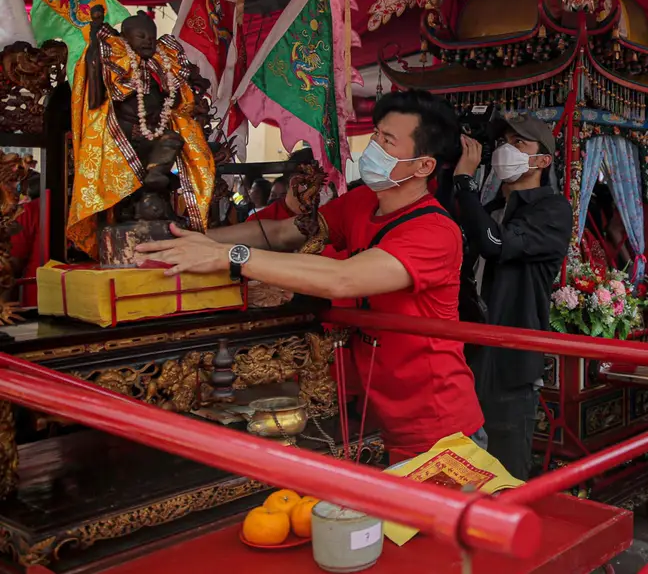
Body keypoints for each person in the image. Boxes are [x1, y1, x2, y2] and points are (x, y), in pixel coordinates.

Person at [135, 90, 485, 461]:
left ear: (424, 166)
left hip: (441, 425)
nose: (374, 147)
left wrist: (229, 257)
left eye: (388, 140)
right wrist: (187, 241)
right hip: (379, 416)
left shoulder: (434, 232)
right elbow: (287, 232)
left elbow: (343, 279)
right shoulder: (362, 201)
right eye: (377, 135)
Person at [452, 113, 572, 480]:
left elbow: (494, 244)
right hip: (470, 349)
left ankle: (510, 534)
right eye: (503, 142)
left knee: (505, 469)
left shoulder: (552, 211)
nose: (508, 149)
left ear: (543, 160)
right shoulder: (492, 211)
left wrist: (463, 181)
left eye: (519, 143)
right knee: (465, 463)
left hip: (510, 357)